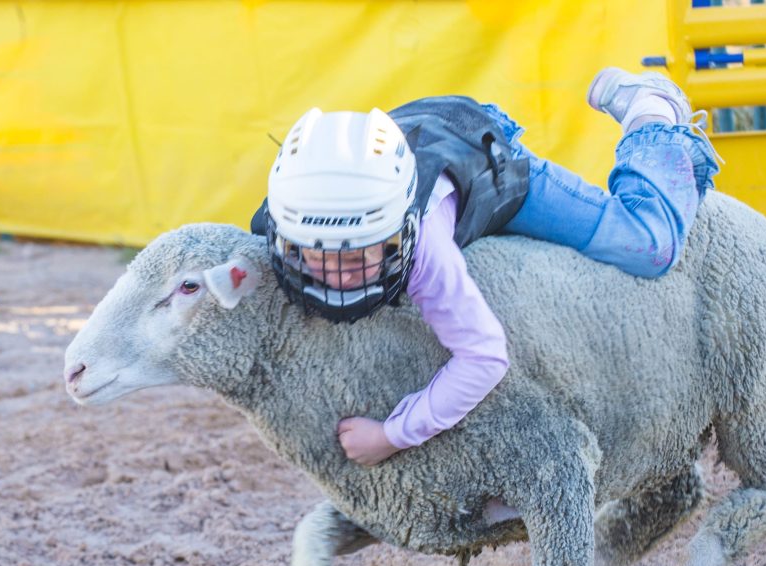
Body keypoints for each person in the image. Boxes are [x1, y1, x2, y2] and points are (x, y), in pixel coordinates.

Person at [250, 67, 720, 467]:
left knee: (647, 245)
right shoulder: (289, 215)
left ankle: (652, 112)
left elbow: (485, 357)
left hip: (483, 151)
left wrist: (393, 435)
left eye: (360, 256)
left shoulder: (424, 248)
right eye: (320, 256)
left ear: (398, 231)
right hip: (408, 141)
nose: (343, 275)